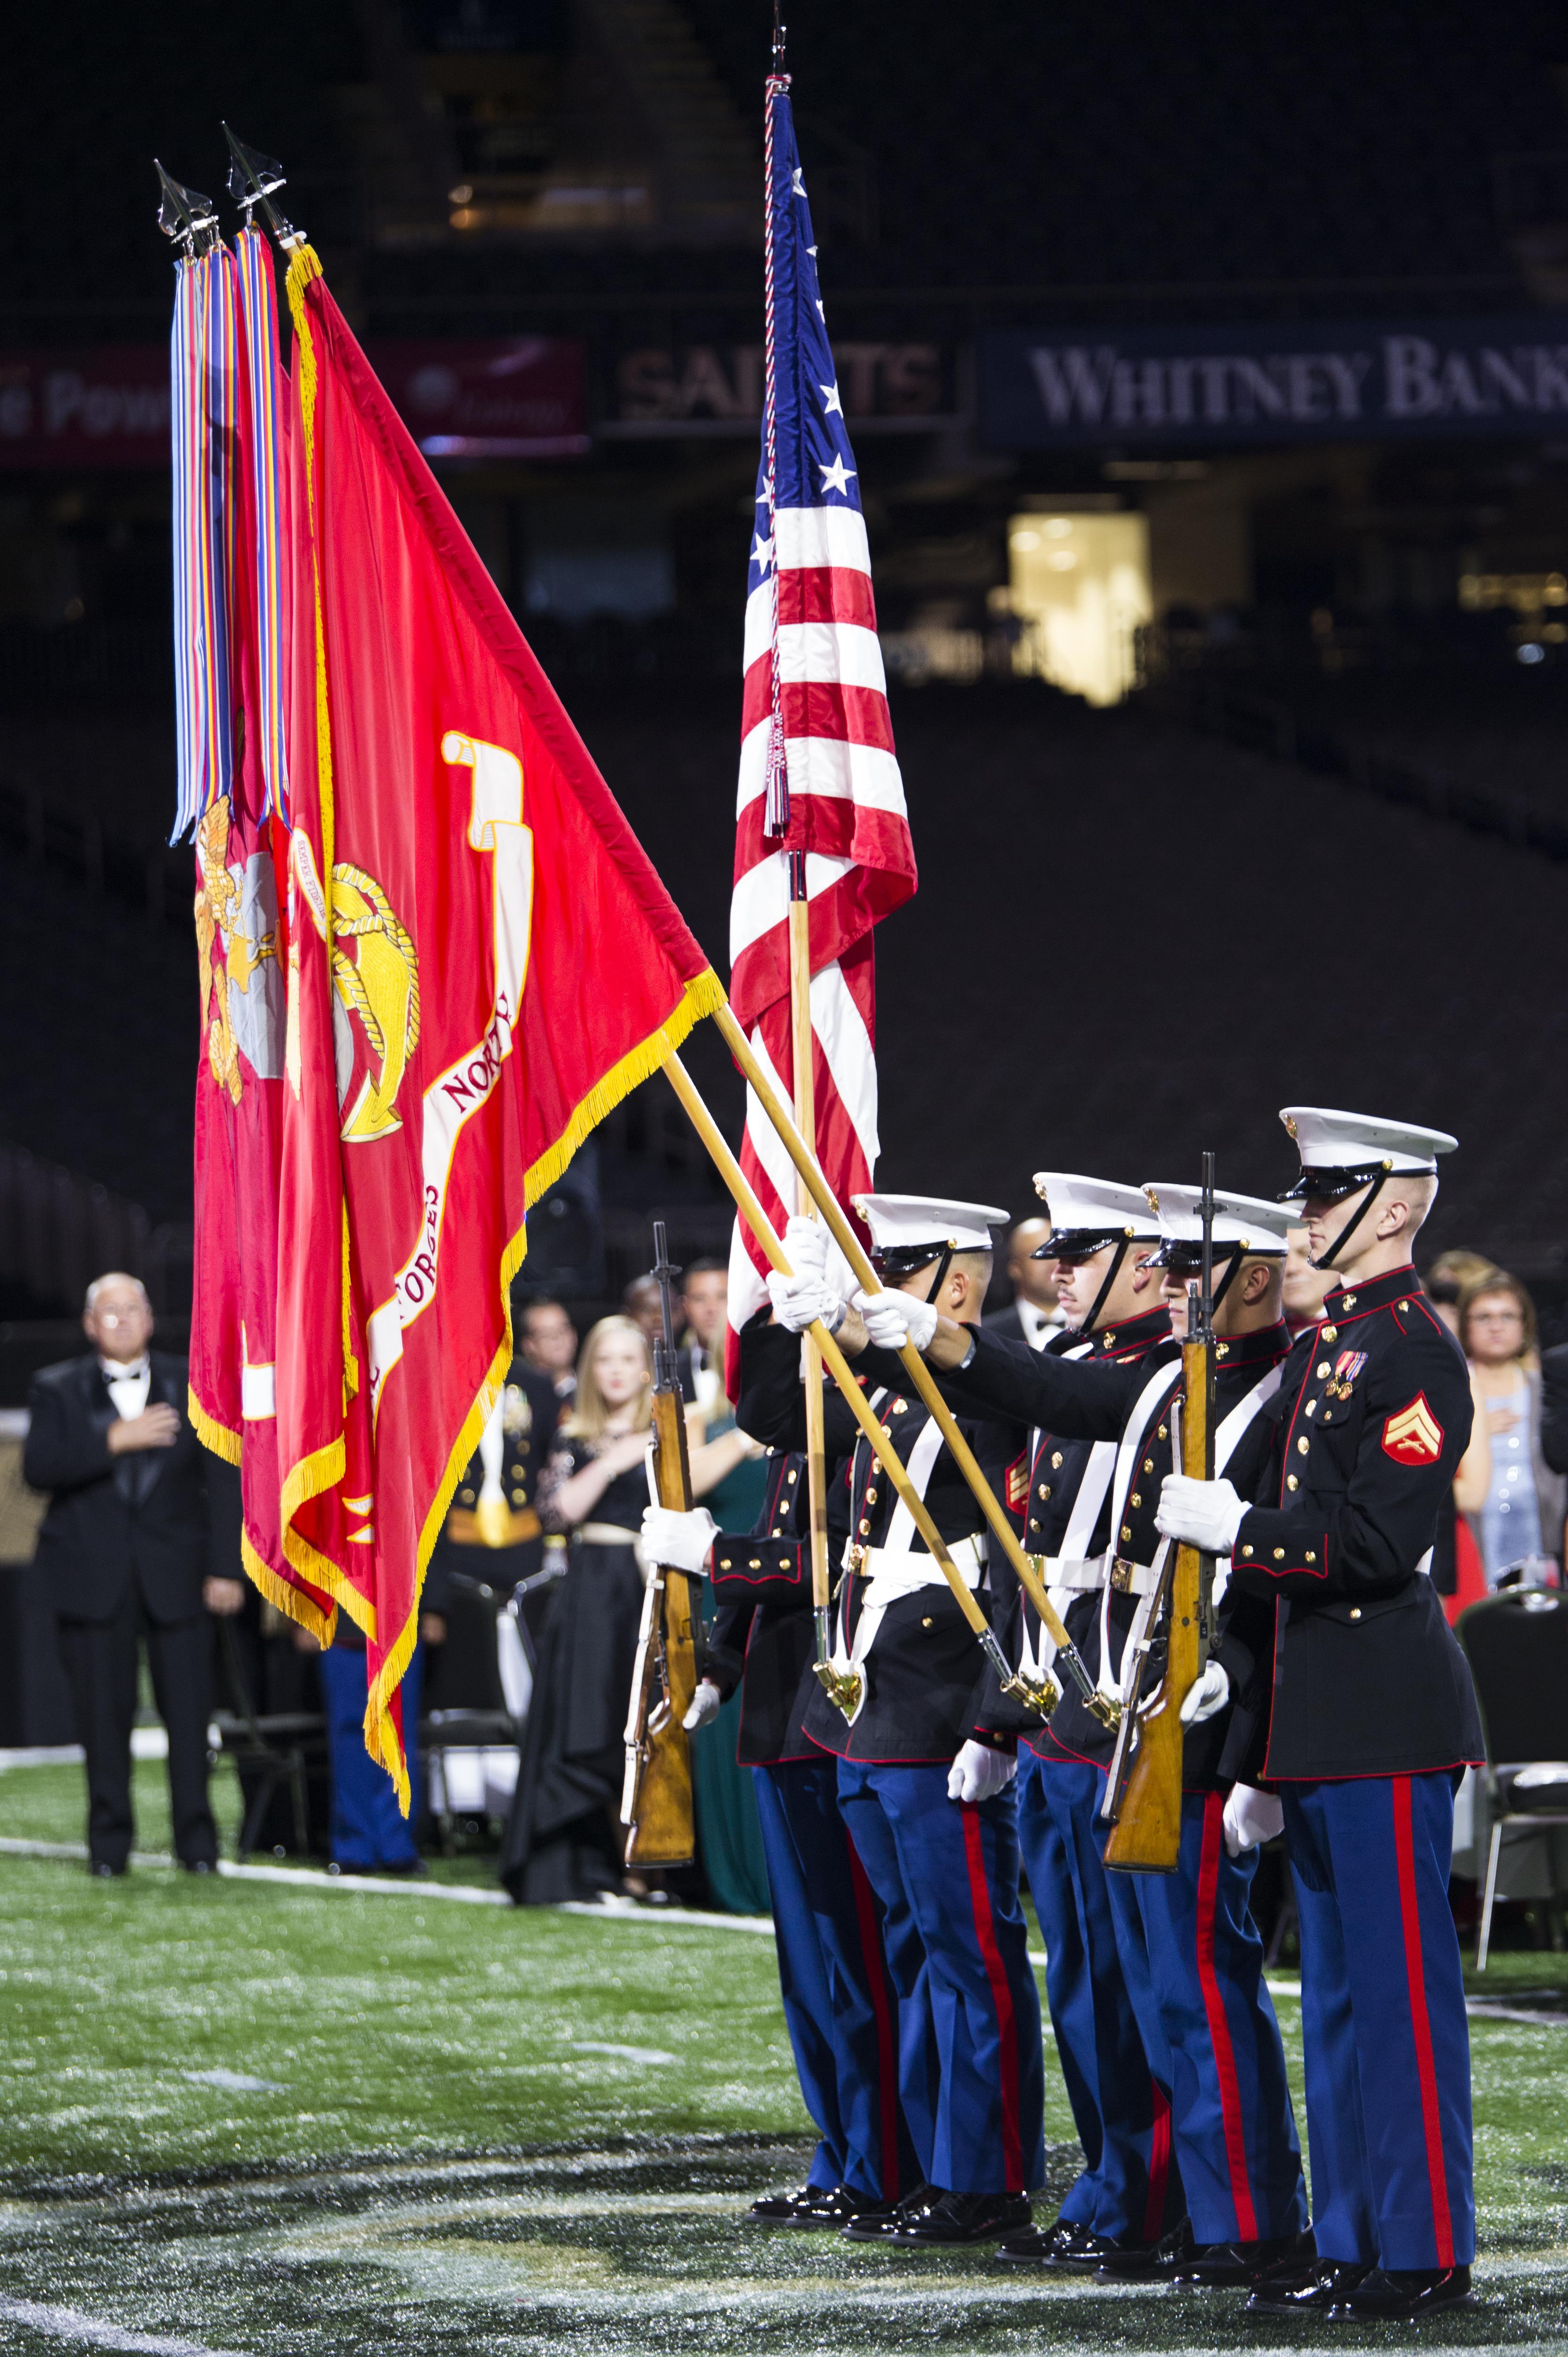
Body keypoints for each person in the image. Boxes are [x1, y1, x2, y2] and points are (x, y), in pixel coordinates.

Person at [907, 1181, 1311, 2286]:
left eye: (1194, 1266)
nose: (1171, 1282)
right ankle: (1159, 2198)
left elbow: (1280, 1573)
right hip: (1110, 1709)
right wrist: (916, 1330)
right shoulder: (1161, 1384)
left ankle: (1239, 2211)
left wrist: (1249, 1738)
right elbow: (1042, 1392)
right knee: (1123, 1981)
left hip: (1190, 1718)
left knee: (1191, 1982)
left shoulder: (1279, 1388)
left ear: (1254, 1276)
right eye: (1168, 1263)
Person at [1155, 1107, 1484, 2323]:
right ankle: (1349, 2239)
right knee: (1339, 2001)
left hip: (1385, 1716)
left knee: (1396, 2000)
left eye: (1323, 1193)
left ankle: (1419, 2249)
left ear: (1390, 1207)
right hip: (1320, 1720)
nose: (1298, 1214)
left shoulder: (1406, 1349)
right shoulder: (1333, 1345)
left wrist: (1233, 1532)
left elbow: (1373, 1543)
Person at [881, 1174, 1179, 2273]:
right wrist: (1004, 1719)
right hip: (1059, 1711)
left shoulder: (1154, 1373)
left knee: (1145, 1981)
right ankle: (1112, 2182)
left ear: (1143, 1264)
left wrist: (947, 1338)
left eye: (1080, 1250)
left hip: (1120, 1709)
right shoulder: (1086, 1369)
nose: (1053, 1267)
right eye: (1056, 1249)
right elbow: (1035, 1571)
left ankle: (1158, 2193)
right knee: (1082, 1981)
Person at [742, 1195, 1046, 2251]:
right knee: (916, 1950)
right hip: (872, 1701)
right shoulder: (889, 1388)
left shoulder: (991, 1389)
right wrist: (774, 1323)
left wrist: (996, 1716)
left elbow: (1020, 1563)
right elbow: (778, 1420)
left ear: (956, 1285)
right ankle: (930, 2162)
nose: (876, 1287)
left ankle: (991, 2173)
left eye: (899, 1269)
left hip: (939, 1703)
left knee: (971, 1954)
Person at [644, 1432, 920, 2233]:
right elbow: (774, 1564)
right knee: (810, 1971)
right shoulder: (798, 1441)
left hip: (831, 1712)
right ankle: (843, 2150)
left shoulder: (853, 1423)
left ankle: (885, 2160)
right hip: (777, 1713)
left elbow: (832, 1563)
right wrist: (722, 1660)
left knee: (856, 1961)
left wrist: (716, 1552)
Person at [23, 1272, 227, 1877]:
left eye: (131, 1309)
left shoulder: (191, 1381)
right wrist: (112, 1437)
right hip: (92, 1581)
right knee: (102, 1721)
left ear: (150, 1316)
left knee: (191, 1720)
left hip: (180, 1578)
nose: (121, 1321)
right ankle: (109, 1848)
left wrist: (225, 1570)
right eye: (107, 1313)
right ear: (89, 1324)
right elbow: (39, 1467)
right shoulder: (54, 1387)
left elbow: (221, 1483)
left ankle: (198, 1845)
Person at [500, 1316, 656, 1903]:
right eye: (603, 1359)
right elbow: (559, 1508)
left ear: (644, 1369)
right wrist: (616, 1458)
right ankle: (594, 1862)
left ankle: (649, 1864)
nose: (615, 1370)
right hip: (594, 1593)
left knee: (644, 1726)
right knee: (591, 1724)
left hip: (649, 1588)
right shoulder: (575, 1435)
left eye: (625, 1358)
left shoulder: (670, 1430)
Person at [1460, 1270, 1564, 1584]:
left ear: (1524, 1325)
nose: (1496, 1326)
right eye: (1483, 1317)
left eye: (1507, 1316)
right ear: (1465, 1326)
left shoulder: (1546, 1388)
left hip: (1543, 1544)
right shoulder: (1451, 1393)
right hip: (1472, 1542)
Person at [985, 1217, 1064, 1351]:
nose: (1052, 1262)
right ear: (1016, 1269)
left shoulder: (1098, 1327)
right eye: (1039, 1253)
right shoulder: (988, 1335)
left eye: (1057, 1251)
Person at [519, 1298, 578, 1408]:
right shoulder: (520, 1398)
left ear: (574, 1335)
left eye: (563, 1329)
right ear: (529, 1345)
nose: (556, 1337)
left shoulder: (593, 1391)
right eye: (545, 1333)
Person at [1282, 1225, 1338, 1335]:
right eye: (1282, 1259)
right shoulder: (1264, 1341)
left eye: (1307, 1254)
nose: (1291, 1268)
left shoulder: (1368, 1326)